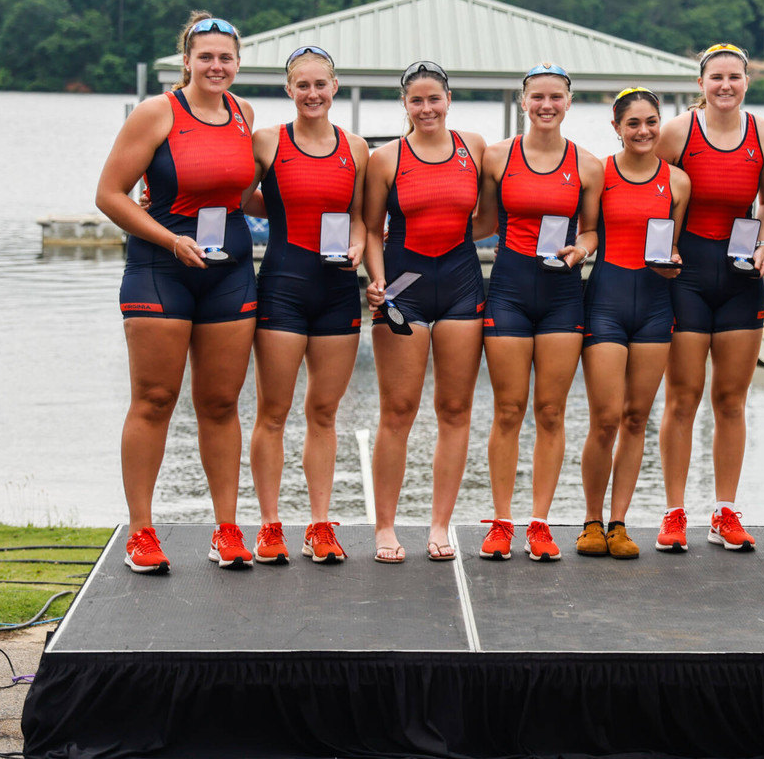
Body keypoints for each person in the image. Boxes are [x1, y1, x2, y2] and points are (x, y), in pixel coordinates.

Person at [96, 12, 258, 573]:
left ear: (238, 64)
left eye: (226, 58)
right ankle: (141, 532)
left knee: (220, 403)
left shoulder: (244, 114)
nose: (217, 66)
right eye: (206, 56)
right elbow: (110, 195)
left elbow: (248, 195)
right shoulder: (157, 113)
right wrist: (170, 239)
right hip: (160, 268)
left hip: (230, 271)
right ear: (186, 60)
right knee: (155, 399)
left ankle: (227, 531)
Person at [653, 43, 764, 553]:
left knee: (731, 400)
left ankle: (725, 511)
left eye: (734, 77)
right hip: (687, 277)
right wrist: (661, 256)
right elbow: (654, 194)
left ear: (746, 81)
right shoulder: (677, 133)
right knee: (682, 399)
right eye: (716, 78)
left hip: (740, 277)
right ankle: (675, 511)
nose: (725, 86)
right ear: (700, 83)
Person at [475, 63, 602, 563]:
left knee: (550, 412)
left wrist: (582, 249)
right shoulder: (496, 156)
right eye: (537, 97)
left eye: (555, 97)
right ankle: (502, 521)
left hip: (562, 294)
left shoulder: (587, 166)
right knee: (508, 411)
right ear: (523, 100)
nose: (546, 105)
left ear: (568, 103)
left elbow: (590, 231)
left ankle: (540, 523)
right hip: (508, 289)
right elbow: (480, 219)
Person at [362, 60, 487, 564]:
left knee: (455, 413)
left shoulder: (474, 148)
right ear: (405, 105)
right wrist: (377, 281)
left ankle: (440, 525)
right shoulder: (386, 158)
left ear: (448, 99)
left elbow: (492, 217)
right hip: (403, 291)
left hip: (461, 287)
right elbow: (371, 228)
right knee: (397, 412)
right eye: (417, 100)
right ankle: (386, 527)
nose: (427, 107)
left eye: (434, 98)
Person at [246, 46, 367, 566]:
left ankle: (320, 524)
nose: (313, 94)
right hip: (283, 287)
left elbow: (361, 216)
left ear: (335, 87)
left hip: (338, 290)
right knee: (272, 413)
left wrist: (360, 246)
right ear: (288, 90)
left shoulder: (357, 148)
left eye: (321, 84)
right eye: (303, 85)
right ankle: (270, 525)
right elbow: (233, 193)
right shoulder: (268, 141)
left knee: (324, 412)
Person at [576, 88, 690, 560]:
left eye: (650, 122)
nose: (643, 131)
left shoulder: (678, 183)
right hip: (605, 301)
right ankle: (590, 521)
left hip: (655, 307)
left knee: (637, 418)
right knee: (604, 419)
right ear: (617, 128)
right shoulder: (600, 174)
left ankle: (619, 523)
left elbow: (673, 247)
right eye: (633, 123)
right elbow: (586, 231)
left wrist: (674, 264)